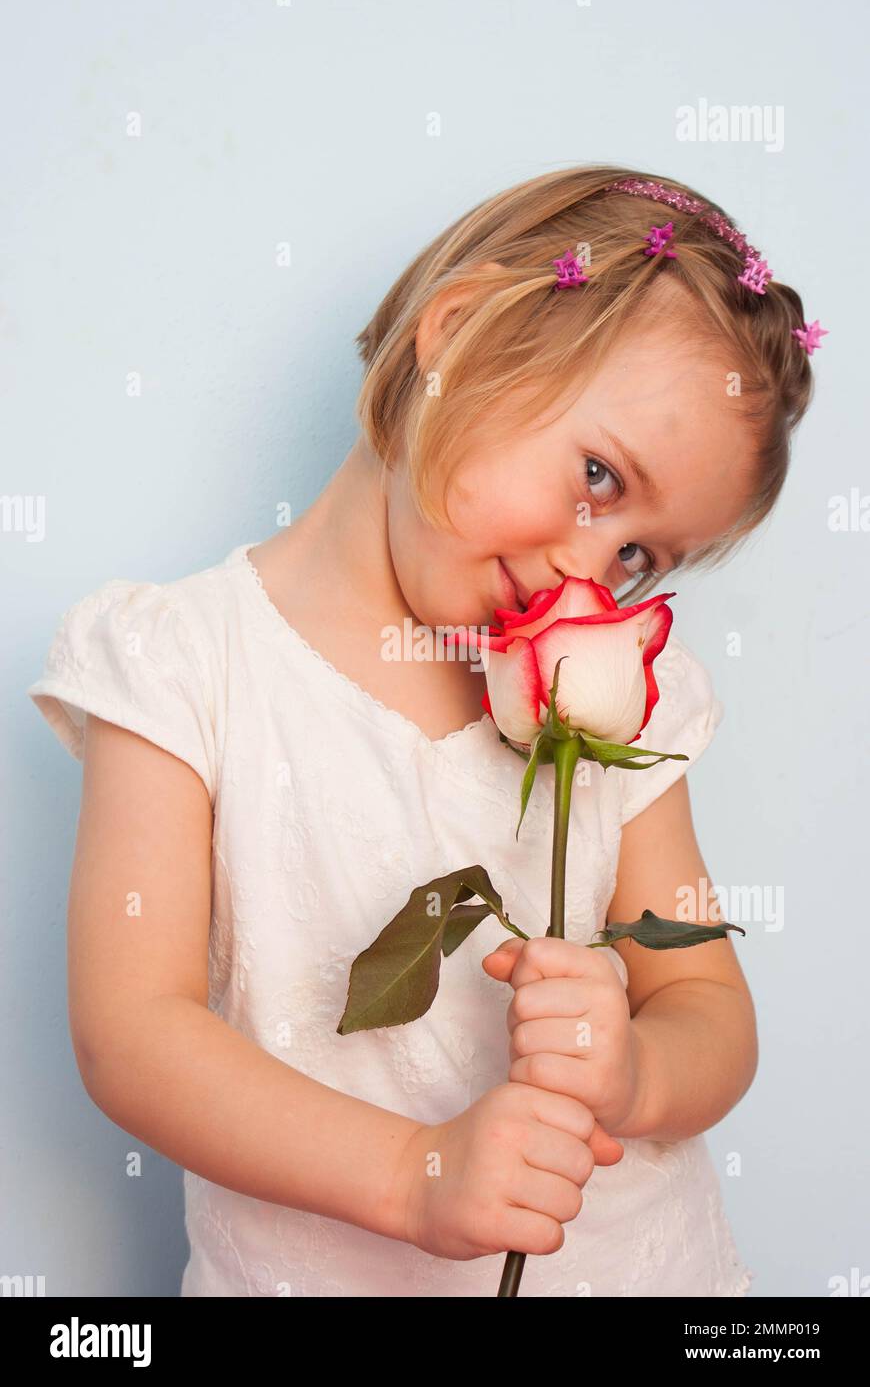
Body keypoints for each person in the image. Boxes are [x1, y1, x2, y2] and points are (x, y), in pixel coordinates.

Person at [26, 165, 821, 1297]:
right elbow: (132, 1032)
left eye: (642, 557)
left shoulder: (614, 698)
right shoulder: (183, 663)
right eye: (600, 477)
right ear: (457, 336)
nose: (590, 572)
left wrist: (635, 1069)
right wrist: (414, 1172)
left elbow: (710, 1007)